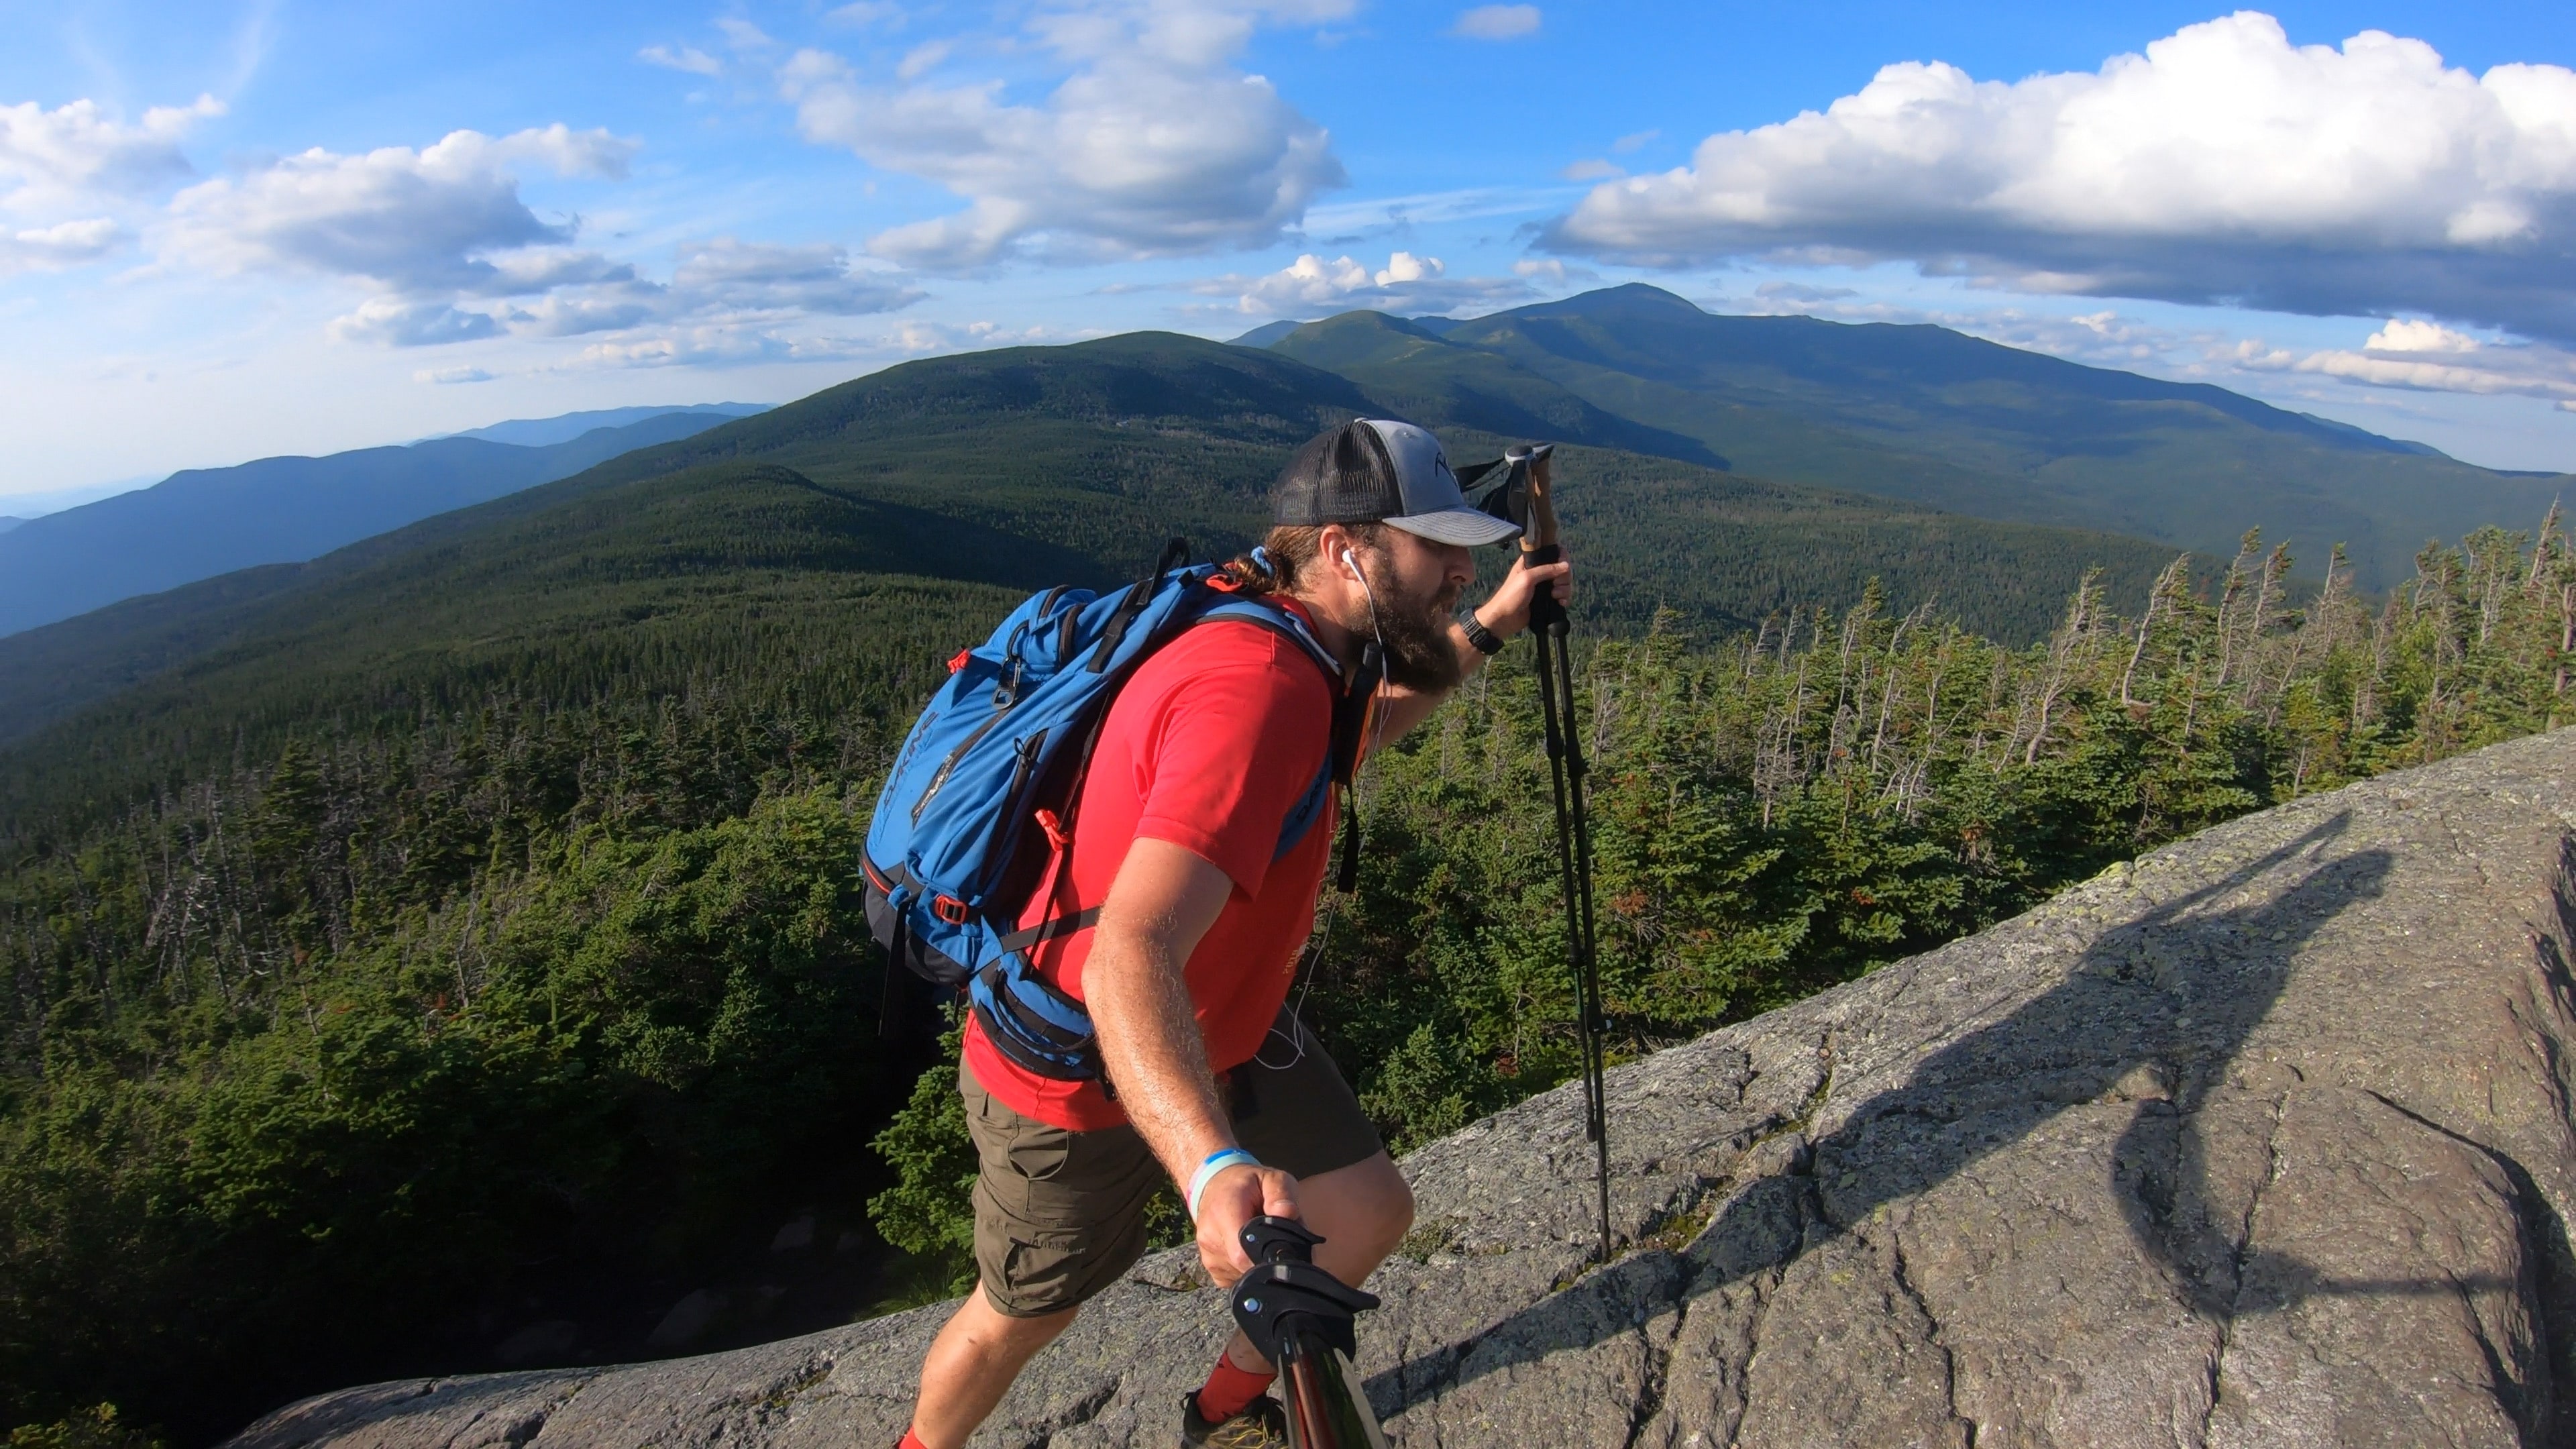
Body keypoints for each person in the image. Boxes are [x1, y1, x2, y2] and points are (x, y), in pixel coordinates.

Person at [892, 419, 1574, 1449]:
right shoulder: (1254, 688)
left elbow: (1350, 741)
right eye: (1437, 548)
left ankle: (1222, 1413)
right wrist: (1212, 1167)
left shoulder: (1298, 628)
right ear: (1348, 550)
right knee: (1026, 1313)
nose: (1458, 568)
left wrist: (1487, 624)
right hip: (1080, 1068)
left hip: (1223, 1025)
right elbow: (1133, 951)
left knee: (1367, 1209)